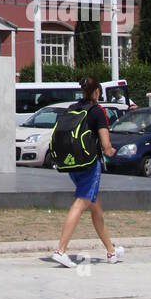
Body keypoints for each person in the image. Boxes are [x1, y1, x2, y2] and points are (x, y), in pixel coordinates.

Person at [52, 76, 124, 267]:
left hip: (72, 165)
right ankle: (61, 250)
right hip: (90, 165)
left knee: (95, 207)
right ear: (97, 92)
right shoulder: (97, 112)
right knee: (82, 201)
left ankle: (111, 250)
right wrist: (111, 151)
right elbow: (106, 144)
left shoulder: (73, 108)